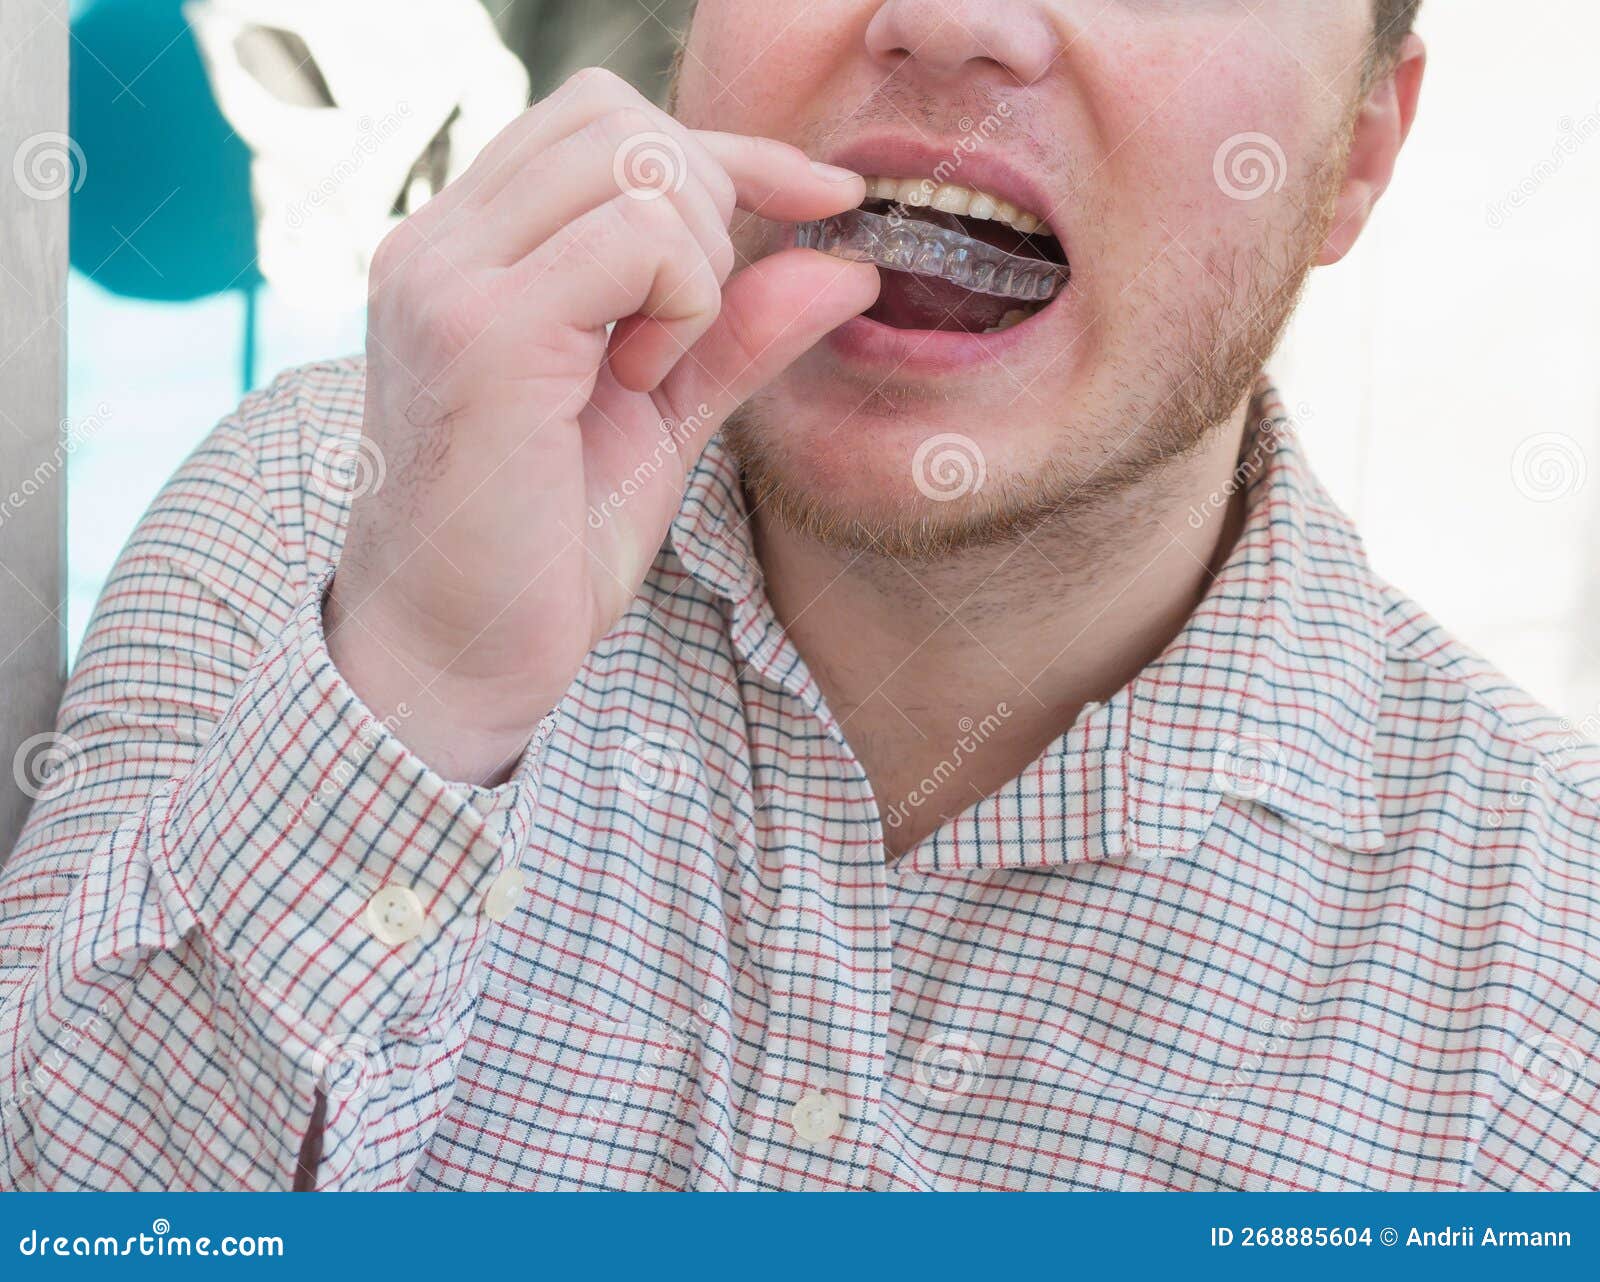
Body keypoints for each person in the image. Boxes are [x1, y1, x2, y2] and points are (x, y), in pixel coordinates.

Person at [4, 0, 1597, 1192]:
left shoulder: (1553, 987)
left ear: (1356, 158)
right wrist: (419, 681)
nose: (952, 20)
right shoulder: (321, 516)